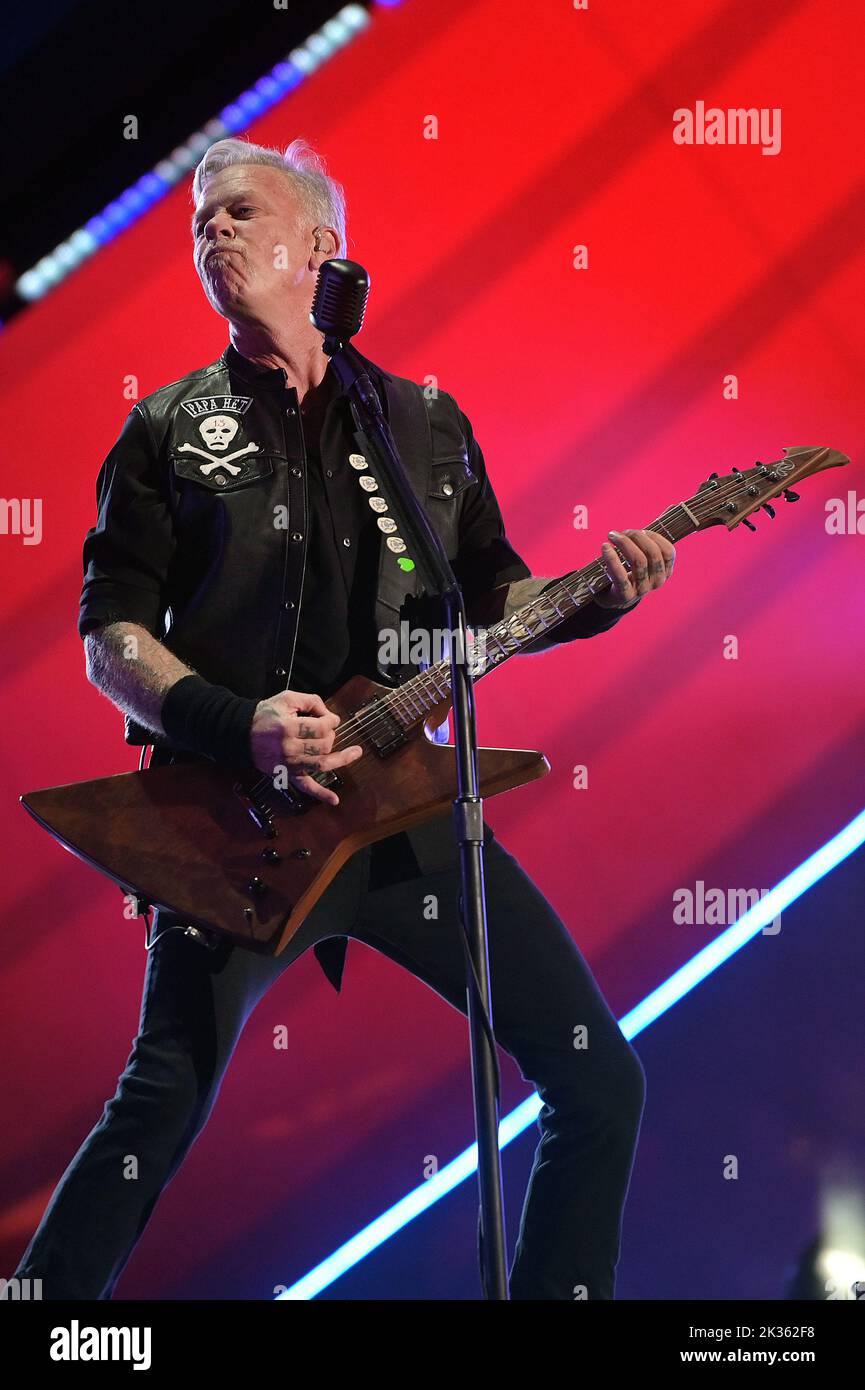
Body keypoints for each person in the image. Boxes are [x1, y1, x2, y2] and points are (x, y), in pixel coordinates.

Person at [11, 137, 675, 1301]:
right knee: (160, 1104)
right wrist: (235, 722)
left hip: (403, 820)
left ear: (320, 246)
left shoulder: (420, 424)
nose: (212, 231)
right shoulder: (167, 431)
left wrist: (597, 599)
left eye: (240, 211)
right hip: (232, 833)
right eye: (199, 221)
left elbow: (491, 601)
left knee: (597, 1081)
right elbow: (106, 635)